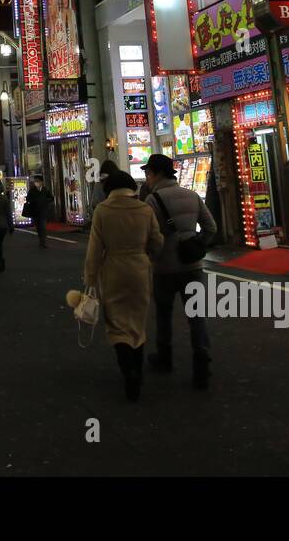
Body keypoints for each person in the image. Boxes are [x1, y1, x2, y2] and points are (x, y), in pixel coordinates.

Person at [84, 170, 162, 401]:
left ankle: (128, 370)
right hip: (139, 268)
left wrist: (89, 277)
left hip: (113, 270)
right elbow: (157, 241)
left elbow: (94, 249)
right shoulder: (145, 210)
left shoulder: (102, 211)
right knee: (138, 321)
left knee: (117, 323)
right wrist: (148, 256)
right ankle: (137, 368)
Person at [142, 154, 218, 389]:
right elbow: (211, 228)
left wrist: (154, 254)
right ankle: (202, 364)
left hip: (164, 268)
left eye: (148, 173)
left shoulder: (152, 201)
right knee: (196, 316)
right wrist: (196, 245)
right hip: (192, 267)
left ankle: (165, 358)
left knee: (164, 314)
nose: (147, 177)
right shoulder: (192, 195)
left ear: (157, 174)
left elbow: (148, 236)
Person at [26, 175, 54, 249]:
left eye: (38, 181)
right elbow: (28, 198)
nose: (36, 183)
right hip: (35, 211)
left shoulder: (45, 190)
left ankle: (43, 242)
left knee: (43, 226)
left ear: (42, 182)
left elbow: (51, 198)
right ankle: (41, 240)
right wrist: (33, 201)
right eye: (35, 181)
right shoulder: (32, 190)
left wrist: (45, 201)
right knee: (38, 227)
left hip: (43, 211)